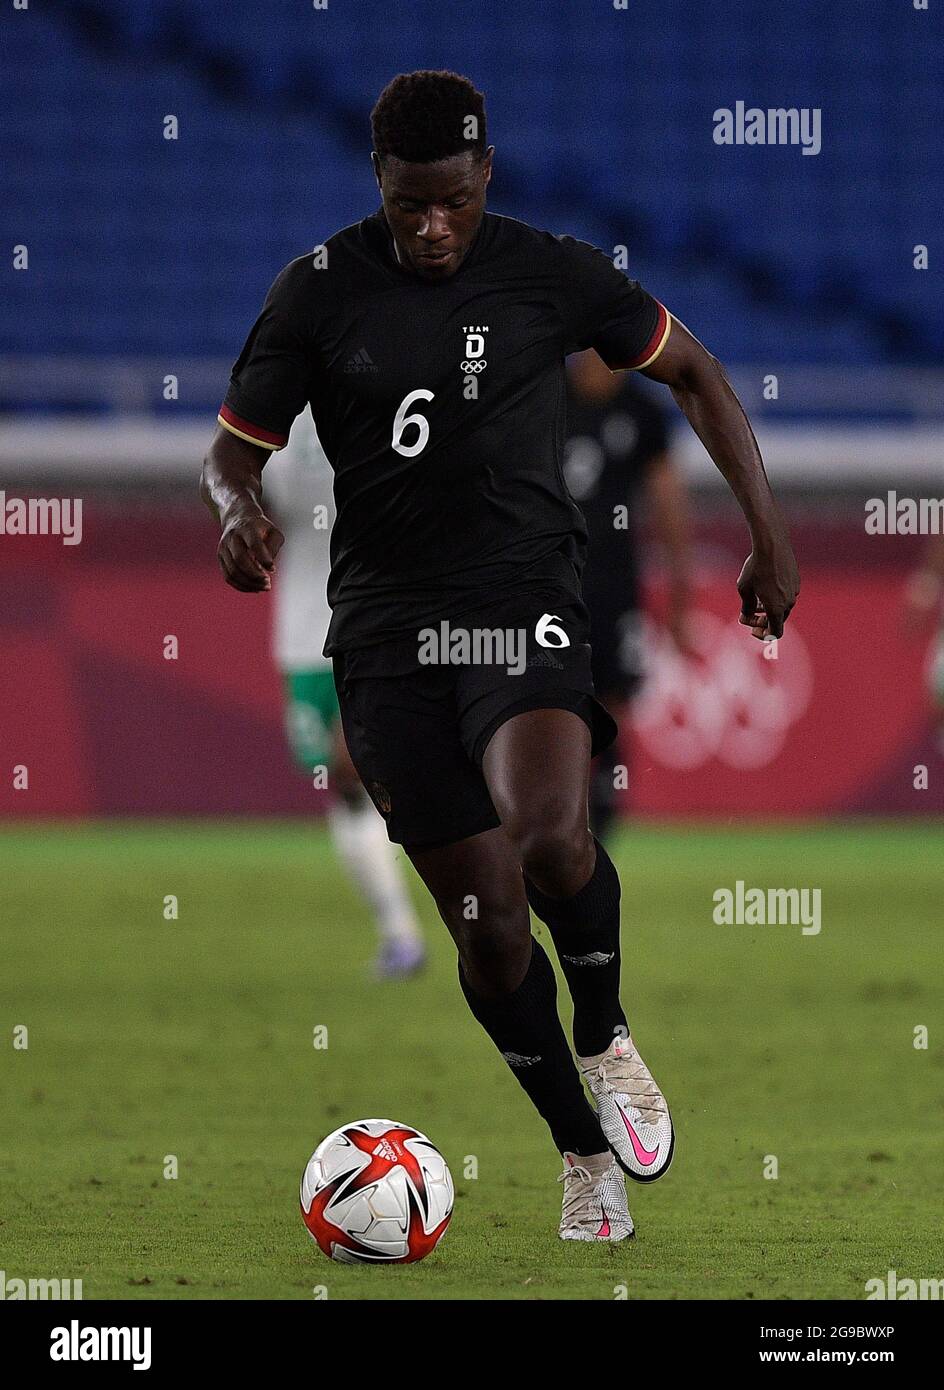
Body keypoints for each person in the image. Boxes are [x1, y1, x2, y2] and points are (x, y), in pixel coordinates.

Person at [202, 70, 799, 1243]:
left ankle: (606, 1034)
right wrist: (233, 508)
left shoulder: (550, 269)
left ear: (487, 179)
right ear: (378, 182)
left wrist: (768, 539)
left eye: (452, 203)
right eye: (407, 203)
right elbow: (233, 447)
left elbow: (695, 372)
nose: (431, 227)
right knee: (484, 923)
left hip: (520, 601)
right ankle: (580, 1154)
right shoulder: (313, 292)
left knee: (550, 835)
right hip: (383, 636)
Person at [262, 411, 426, 978]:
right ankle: (401, 934)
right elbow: (246, 497)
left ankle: (425, 929)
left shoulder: (386, 395)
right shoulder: (273, 408)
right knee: (346, 786)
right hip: (303, 632)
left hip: (373, 625)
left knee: (360, 774)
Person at [564, 348, 694, 838]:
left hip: (614, 585)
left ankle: (600, 822)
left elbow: (668, 504)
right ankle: (559, 816)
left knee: (613, 700)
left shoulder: (642, 410)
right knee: (552, 698)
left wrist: (681, 600)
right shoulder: (545, 396)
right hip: (547, 584)